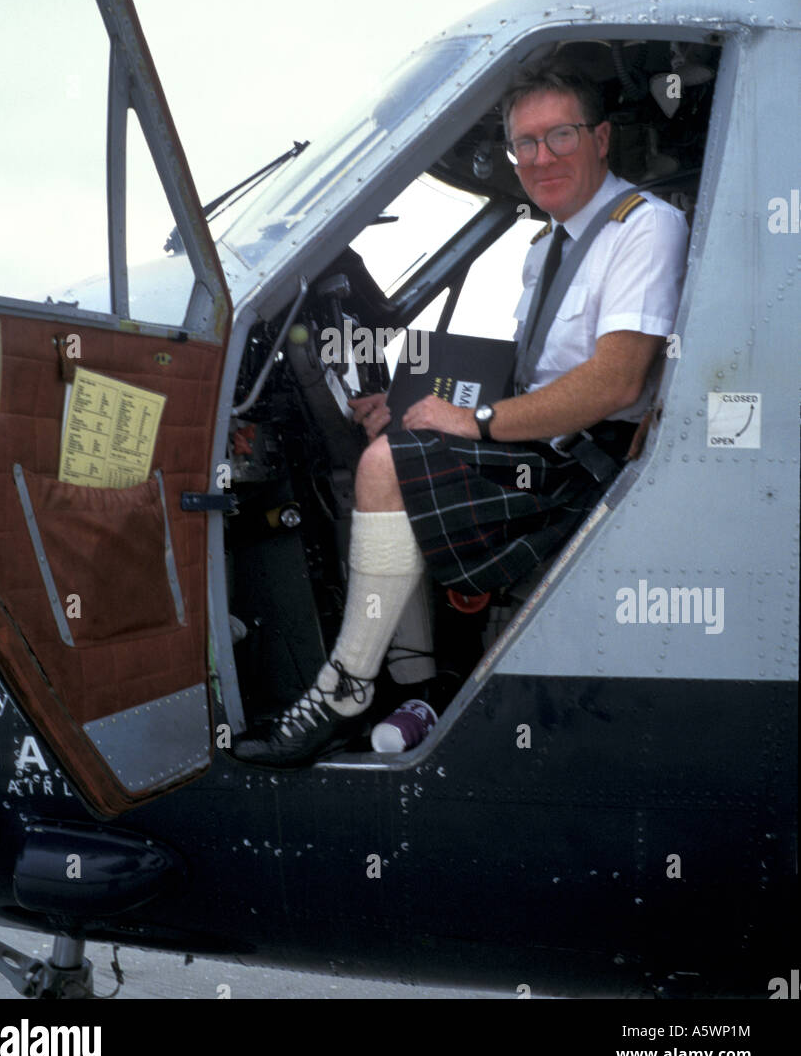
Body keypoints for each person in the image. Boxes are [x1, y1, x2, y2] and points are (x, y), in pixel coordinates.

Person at [231, 66, 689, 767]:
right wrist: (414, 403)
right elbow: (529, 375)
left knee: (387, 466)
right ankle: (421, 685)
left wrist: (472, 424)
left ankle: (346, 687)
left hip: (584, 463)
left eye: (558, 135)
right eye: (524, 144)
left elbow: (613, 378)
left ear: (599, 138)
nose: (540, 158)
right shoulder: (544, 249)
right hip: (544, 447)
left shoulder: (643, 228)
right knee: (393, 444)